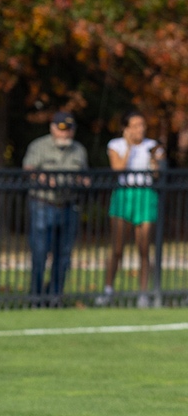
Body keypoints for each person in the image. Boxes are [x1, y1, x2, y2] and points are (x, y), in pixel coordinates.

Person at [21, 111, 89, 305]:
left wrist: (83, 181)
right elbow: (28, 169)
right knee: (40, 252)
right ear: (52, 128)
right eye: (61, 129)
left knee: (64, 255)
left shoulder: (79, 150)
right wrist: (42, 178)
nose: (65, 133)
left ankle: (55, 295)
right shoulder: (39, 146)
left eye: (69, 130)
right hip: (43, 204)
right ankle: (36, 296)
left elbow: (84, 174)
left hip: (69, 205)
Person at [98, 110, 163, 308]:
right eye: (135, 126)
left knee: (143, 248)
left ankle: (143, 294)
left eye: (142, 125)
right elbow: (118, 168)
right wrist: (128, 147)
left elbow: (158, 174)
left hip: (145, 195)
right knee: (117, 248)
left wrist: (154, 160)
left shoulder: (152, 146)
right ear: (125, 129)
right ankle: (108, 290)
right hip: (124, 195)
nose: (140, 129)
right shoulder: (116, 145)